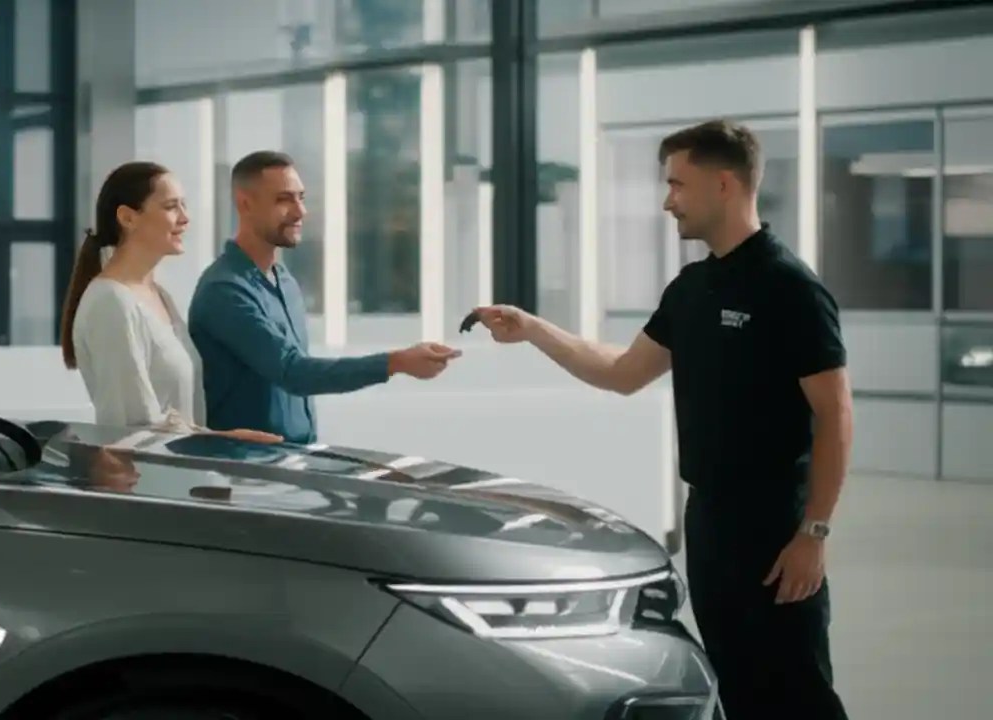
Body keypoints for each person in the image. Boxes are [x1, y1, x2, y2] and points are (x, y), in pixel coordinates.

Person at [471, 120, 852, 720]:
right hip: (708, 519)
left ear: (724, 184)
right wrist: (534, 330)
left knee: (795, 691)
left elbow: (835, 416)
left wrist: (814, 533)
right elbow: (622, 371)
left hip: (775, 526)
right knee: (734, 683)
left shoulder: (789, 288)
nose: (667, 199)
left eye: (677, 183)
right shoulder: (692, 287)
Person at [188, 150, 460, 444]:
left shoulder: (285, 281)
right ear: (245, 204)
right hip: (244, 474)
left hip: (291, 465)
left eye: (300, 197)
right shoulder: (225, 291)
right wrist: (397, 362)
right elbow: (294, 372)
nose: (300, 211)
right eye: (284, 199)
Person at [59, 161, 280, 444]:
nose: (185, 218)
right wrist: (225, 439)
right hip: (147, 481)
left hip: (181, 479)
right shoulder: (111, 303)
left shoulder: (159, 295)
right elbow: (131, 427)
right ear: (128, 218)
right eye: (171, 206)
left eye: (184, 205)